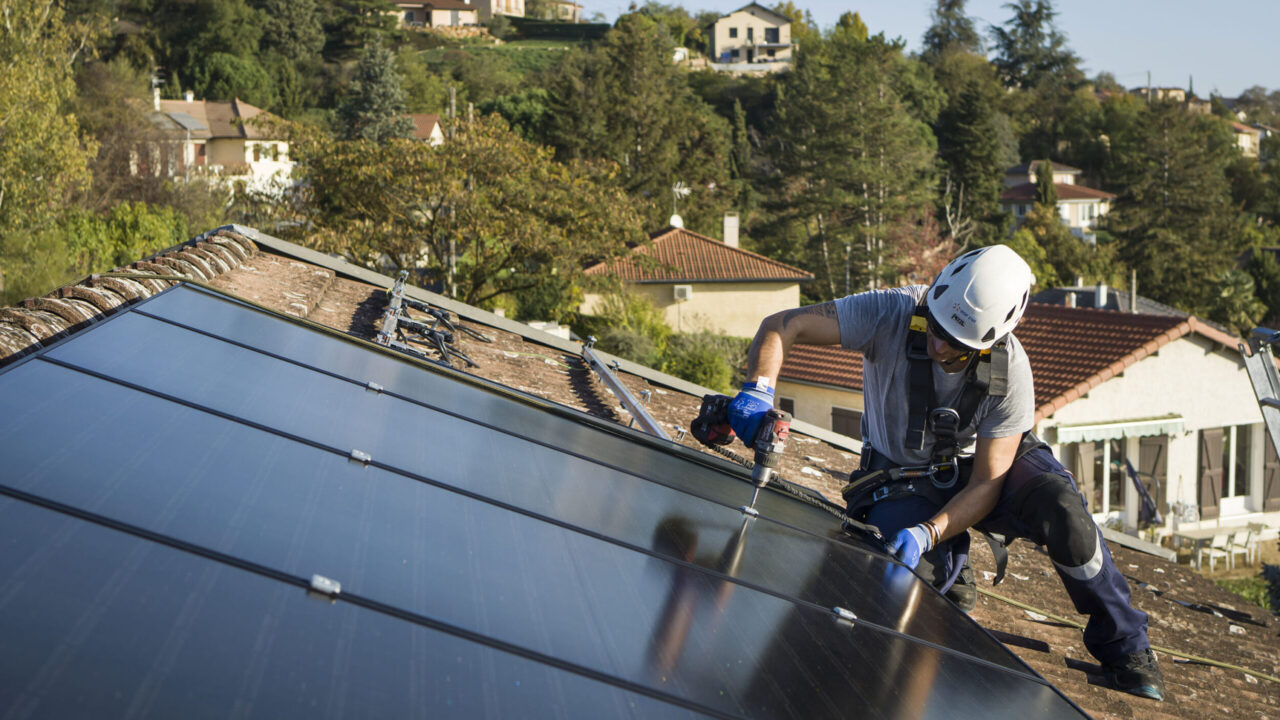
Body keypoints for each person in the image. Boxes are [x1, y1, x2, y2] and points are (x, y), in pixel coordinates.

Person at [722, 245, 1165, 701]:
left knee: (1062, 507)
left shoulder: (1009, 371)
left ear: (988, 345)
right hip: (898, 476)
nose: (937, 345)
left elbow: (988, 482)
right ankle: (952, 565)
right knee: (907, 592)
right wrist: (758, 390)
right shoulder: (891, 312)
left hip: (981, 471)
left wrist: (929, 533)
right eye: (934, 329)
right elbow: (783, 325)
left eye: (954, 347)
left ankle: (1126, 648)